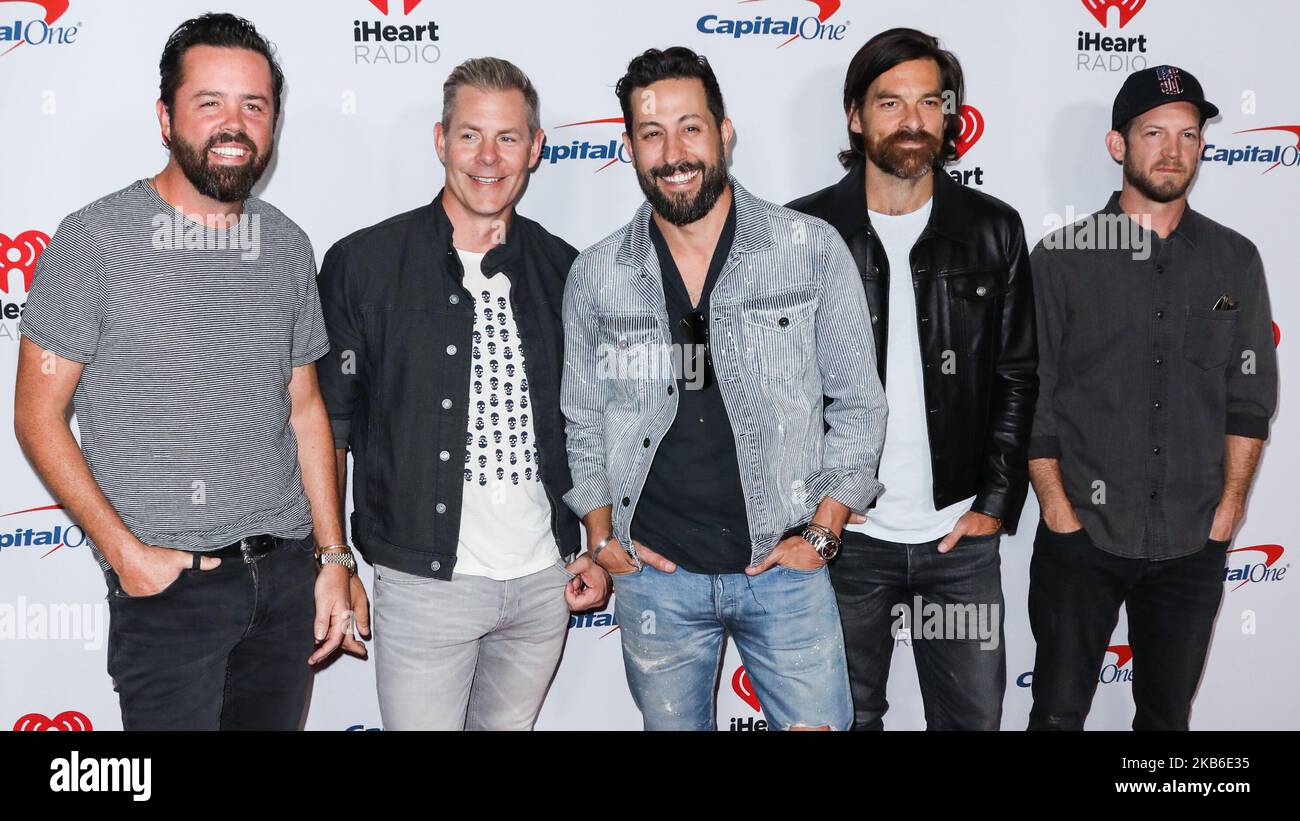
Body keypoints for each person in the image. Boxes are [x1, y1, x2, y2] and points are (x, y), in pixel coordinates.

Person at [13, 13, 364, 731]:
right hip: (169, 593)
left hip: (287, 578)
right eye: (210, 102)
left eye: (254, 105)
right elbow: (37, 414)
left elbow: (304, 408)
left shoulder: (288, 245)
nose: (234, 124)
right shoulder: (95, 241)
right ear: (165, 116)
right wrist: (126, 556)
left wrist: (333, 556)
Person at [561, 46, 887, 731]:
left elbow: (859, 403)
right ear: (629, 147)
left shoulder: (809, 248)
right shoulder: (597, 275)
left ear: (725, 132)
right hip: (655, 578)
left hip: (786, 570)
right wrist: (600, 536)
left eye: (691, 127)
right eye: (652, 133)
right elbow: (584, 418)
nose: (674, 151)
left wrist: (823, 535)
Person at [317, 57, 610, 731]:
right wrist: (332, 559)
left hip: (546, 582)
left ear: (535, 148)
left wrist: (596, 541)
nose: (488, 156)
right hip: (424, 585)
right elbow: (328, 427)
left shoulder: (567, 270)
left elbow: (593, 424)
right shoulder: (364, 264)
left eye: (508, 137)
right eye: (470, 135)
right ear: (440, 139)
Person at [787, 27, 1038, 731]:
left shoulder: (993, 230)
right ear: (855, 115)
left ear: (949, 114)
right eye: (890, 102)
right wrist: (815, 506)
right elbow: (774, 392)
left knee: (971, 720)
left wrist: (993, 500)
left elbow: (1018, 376)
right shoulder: (802, 232)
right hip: (843, 538)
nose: (912, 120)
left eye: (930, 101)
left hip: (958, 536)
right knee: (843, 718)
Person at [1026, 65, 1278, 730]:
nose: (1173, 149)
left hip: (1192, 540)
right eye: (1154, 132)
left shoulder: (1235, 261)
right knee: (1056, 713)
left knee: (1166, 724)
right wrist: (1058, 511)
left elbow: (1249, 395)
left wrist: (1227, 513)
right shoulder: (1061, 258)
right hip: (1081, 535)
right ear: (1118, 145)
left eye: (1189, 134)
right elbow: (1035, 394)